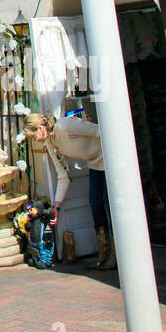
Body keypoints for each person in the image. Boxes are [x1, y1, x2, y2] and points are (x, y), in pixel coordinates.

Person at [22, 111, 114, 269]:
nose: (34, 140)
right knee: (95, 204)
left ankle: (116, 253)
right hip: (95, 164)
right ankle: (104, 252)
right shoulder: (50, 143)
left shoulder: (65, 126)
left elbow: (100, 131)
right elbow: (62, 175)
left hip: (110, 158)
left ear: (39, 128)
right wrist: (56, 206)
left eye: (33, 136)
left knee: (109, 204)